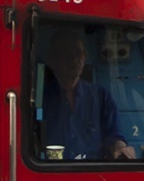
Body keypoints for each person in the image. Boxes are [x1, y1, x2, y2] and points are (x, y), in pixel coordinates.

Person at [39, 30, 135, 160]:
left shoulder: (101, 96)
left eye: (78, 53)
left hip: (91, 173)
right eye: (66, 54)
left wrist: (121, 148)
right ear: (53, 59)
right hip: (51, 173)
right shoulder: (41, 98)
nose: (74, 59)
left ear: (85, 57)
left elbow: (114, 135)